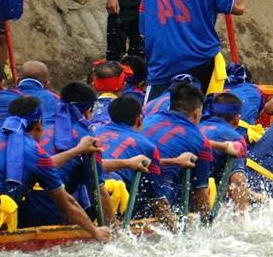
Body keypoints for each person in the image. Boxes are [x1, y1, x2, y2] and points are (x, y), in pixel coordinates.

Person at [0, 97, 110, 240]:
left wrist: (77, 150)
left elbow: (42, 164)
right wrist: (96, 232)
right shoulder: (34, 152)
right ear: (39, 125)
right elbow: (67, 204)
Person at [20, 82, 114, 228]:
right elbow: (98, 188)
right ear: (87, 111)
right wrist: (116, 232)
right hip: (52, 206)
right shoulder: (87, 138)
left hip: (21, 205)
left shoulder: (40, 125)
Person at [94, 96, 177, 230]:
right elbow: (157, 199)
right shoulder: (148, 146)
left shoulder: (93, 132)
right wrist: (175, 232)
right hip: (111, 194)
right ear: (139, 119)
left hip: (86, 191)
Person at [141, 82, 214, 215]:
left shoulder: (148, 119)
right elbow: (200, 194)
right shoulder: (202, 140)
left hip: (123, 182)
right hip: (155, 198)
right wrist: (208, 223)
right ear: (197, 113)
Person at [198, 92, 252, 210]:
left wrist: (254, 196)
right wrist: (243, 221)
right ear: (237, 119)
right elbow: (238, 181)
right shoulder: (234, 138)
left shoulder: (196, 127)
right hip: (198, 202)